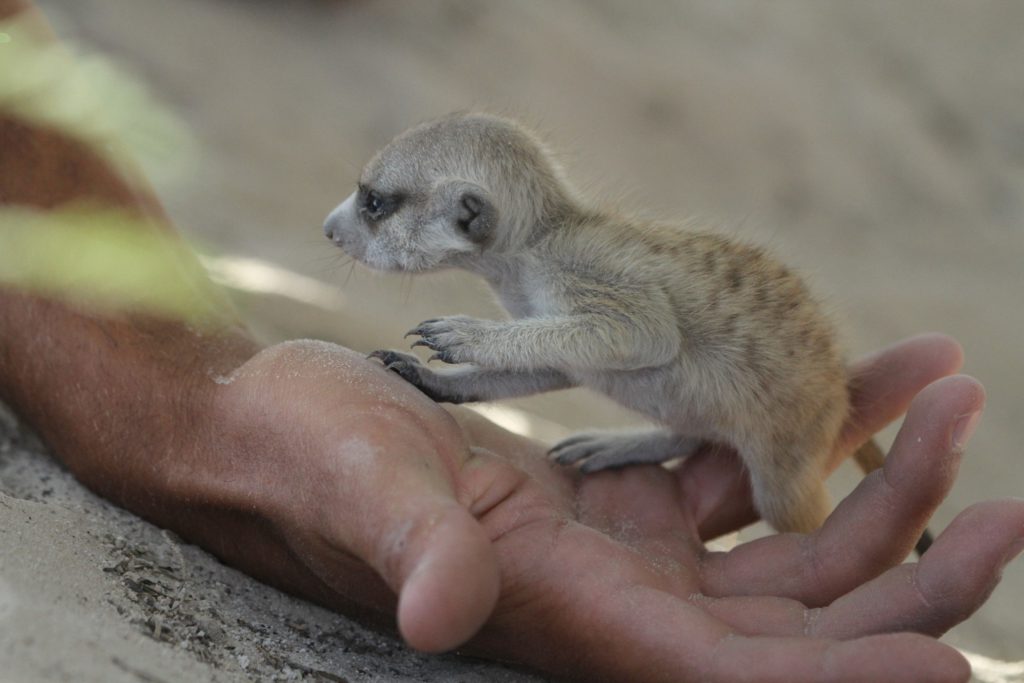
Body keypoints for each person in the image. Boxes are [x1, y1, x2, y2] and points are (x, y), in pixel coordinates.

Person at [1, 2, 1020, 680]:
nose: (342, 228)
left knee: (780, 505)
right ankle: (665, 443)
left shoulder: (576, 271)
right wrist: (451, 385)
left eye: (378, 207)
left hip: (769, 389)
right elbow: (577, 349)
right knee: (647, 408)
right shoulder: (536, 269)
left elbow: (641, 329)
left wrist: (481, 348)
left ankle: (791, 531)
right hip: (681, 384)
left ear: (466, 223)